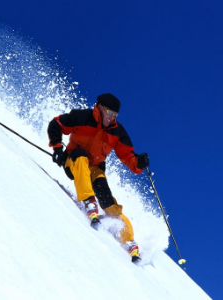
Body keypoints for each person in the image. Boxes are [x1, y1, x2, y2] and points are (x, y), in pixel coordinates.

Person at [47, 93, 149, 262]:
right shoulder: (82, 117)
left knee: (106, 196)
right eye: (109, 113)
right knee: (80, 155)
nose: (112, 118)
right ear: (100, 108)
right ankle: (88, 201)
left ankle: (128, 239)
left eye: (115, 115)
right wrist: (57, 149)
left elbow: (129, 157)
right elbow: (55, 124)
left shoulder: (117, 132)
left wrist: (139, 163)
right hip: (73, 161)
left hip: (95, 168)